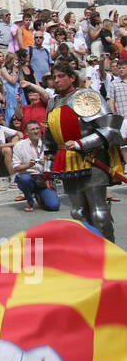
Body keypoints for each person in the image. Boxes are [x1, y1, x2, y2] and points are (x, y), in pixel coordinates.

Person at [46, 60, 121, 241]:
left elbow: (110, 129)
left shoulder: (87, 96)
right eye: (54, 77)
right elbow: (49, 140)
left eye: (61, 76)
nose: (56, 80)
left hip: (91, 158)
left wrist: (81, 144)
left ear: (72, 78)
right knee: (78, 212)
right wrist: (48, 169)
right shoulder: (52, 103)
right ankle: (89, 253)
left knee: (98, 210)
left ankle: (109, 254)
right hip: (67, 162)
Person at [12, 119, 60, 212]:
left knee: (54, 206)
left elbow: (56, 164)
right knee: (24, 179)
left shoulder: (47, 144)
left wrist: (47, 164)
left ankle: (40, 196)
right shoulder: (19, 145)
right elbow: (16, 167)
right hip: (28, 177)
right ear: (26, 132)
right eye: (32, 129)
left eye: (37, 128)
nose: (36, 131)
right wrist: (28, 165)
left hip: (43, 180)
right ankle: (30, 201)